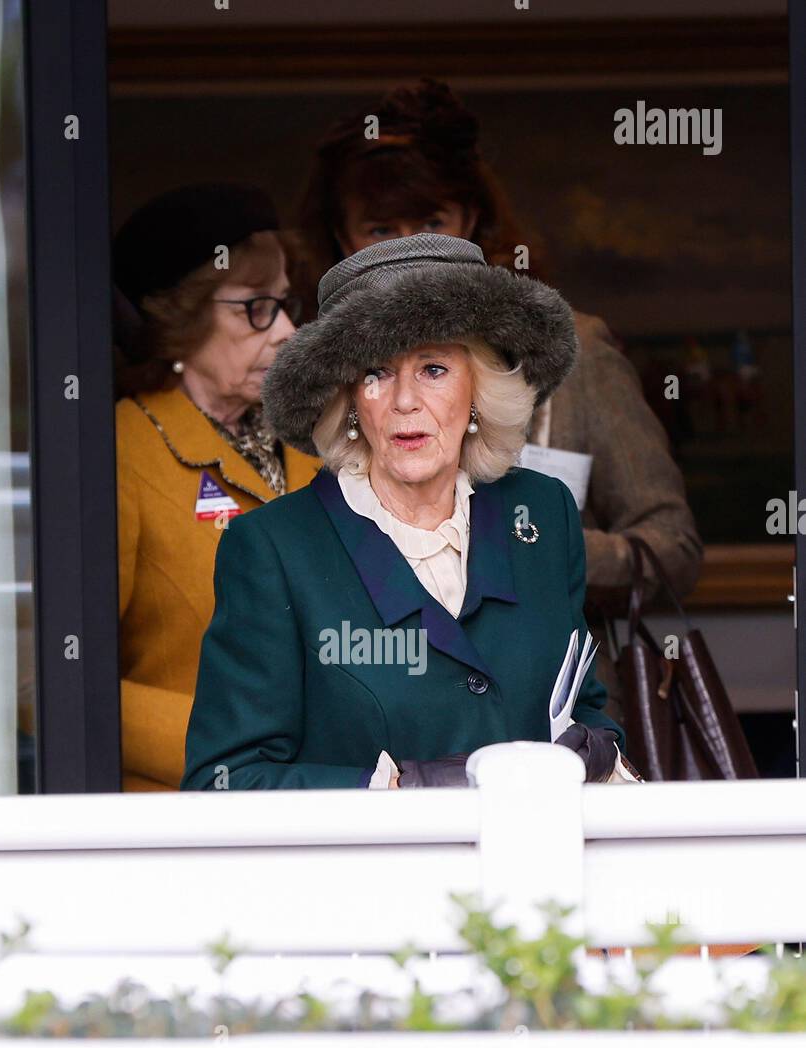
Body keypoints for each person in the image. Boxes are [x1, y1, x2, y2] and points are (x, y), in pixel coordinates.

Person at [295, 80, 703, 716]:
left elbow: (672, 546)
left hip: (556, 722)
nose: (408, 249)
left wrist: (535, 540)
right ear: (341, 239)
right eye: (380, 229)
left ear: (472, 221)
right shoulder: (310, 375)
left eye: (430, 222)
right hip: (370, 734)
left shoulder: (578, 351)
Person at [182, 234, 637, 793]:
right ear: (348, 398)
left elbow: (583, 709)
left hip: (533, 869)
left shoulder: (542, 513)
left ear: (479, 386)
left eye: (434, 369)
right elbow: (224, 782)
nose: (403, 402)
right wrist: (395, 793)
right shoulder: (274, 549)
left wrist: (592, 758)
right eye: (376, 373)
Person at [112, 184, 318, 791]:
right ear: (185, 315)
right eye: (255, 307)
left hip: (330, 801)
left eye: (285, 304)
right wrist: (223, 748)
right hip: (181, 818)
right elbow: (50, 682)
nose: (283, 330)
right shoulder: (122, 449)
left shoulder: (316, 436)